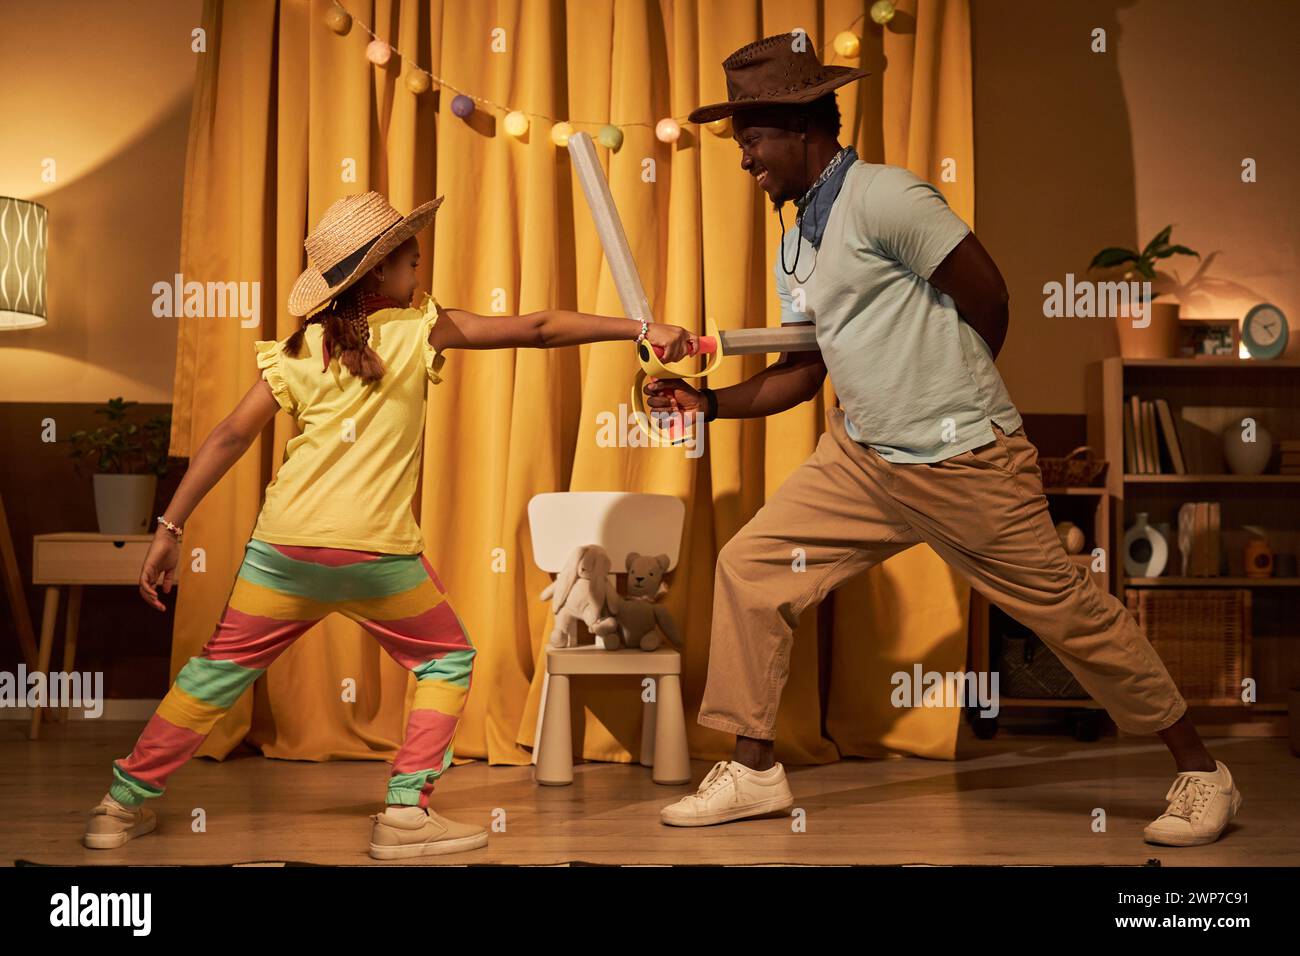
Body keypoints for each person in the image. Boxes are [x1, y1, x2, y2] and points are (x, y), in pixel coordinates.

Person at [650, 35, 1241, 847]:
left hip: (965, 461)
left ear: (798, 127)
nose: (744, 158)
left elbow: (989, 300)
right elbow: (803, 370)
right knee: (751, 568)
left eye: (751, 138)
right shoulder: (798, 237)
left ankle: (1203, 774)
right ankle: (754, 768)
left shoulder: (887, 196)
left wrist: (943, 402)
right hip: (861, 461)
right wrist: (706, 404)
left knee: (1069, 612)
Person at [84, 191, 693, 859]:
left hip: (282, 550)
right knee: (446, 658)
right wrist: (640, 329)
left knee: (213, 676)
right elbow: (540, 328)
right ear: (378, 275)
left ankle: (118, 808)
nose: (419, 272)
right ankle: (405, 813)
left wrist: (170, 527)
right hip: (376, 557)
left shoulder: (295, 349)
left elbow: (230, 435)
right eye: (411, 260)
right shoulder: (419, 329)